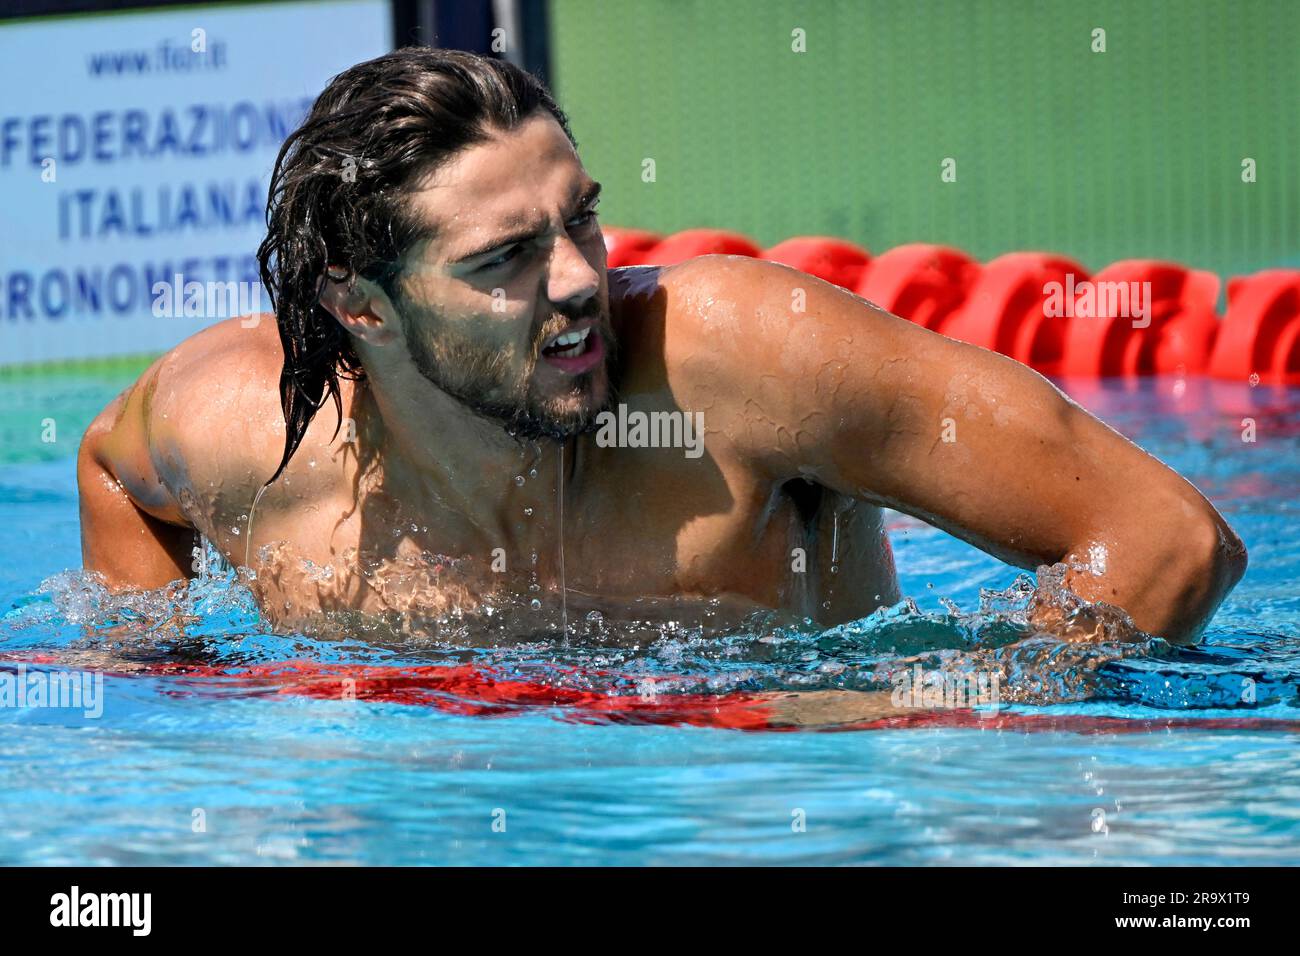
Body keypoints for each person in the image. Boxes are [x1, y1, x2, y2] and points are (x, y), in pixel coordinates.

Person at [77, 47, 1246, 650]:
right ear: (364, 309)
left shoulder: (737, 359)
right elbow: (109, 469)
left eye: (579, 217)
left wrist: (941, 716)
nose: (583, 277)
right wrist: (158, 671)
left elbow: (1163, 537)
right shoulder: (241, 436)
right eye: (506, 259)